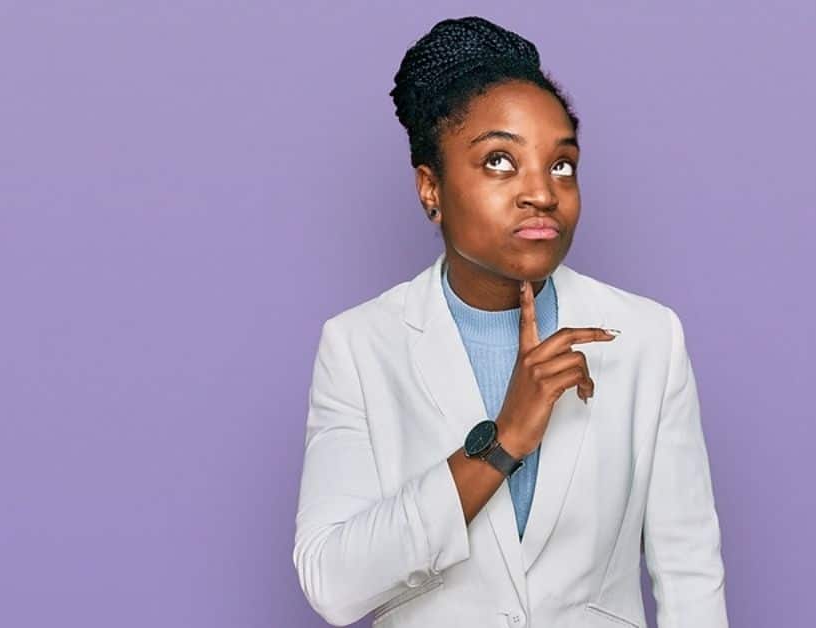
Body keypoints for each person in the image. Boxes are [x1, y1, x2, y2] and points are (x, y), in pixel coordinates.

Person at [292, 16, 729, 628]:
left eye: (562, 165)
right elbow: (333, 583)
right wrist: (503, 443)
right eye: (500, 161)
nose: (542, 193)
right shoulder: (361, 346)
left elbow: (690, 576)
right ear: (430, 189)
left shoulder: (648, 339)